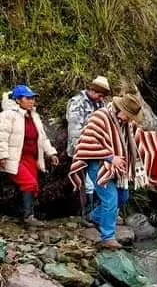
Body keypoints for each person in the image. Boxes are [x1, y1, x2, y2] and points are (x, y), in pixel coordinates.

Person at [68, 93, 148, 250]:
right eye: (128, 115)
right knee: (110, 199)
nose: (129, 119)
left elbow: (132, 140)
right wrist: (110, 157)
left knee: (123, 198)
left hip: (117, 167)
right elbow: (87, 142)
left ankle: (93, 217)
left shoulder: (125, 123)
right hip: (97, 164)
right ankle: (108, 237)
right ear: (120, 109)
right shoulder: (100, 117)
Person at [0, 85, 59, 225]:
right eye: (28, 98)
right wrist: (2, 156)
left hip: (31, 158)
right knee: (29, 183)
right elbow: (2, 137)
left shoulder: (34, 116)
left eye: (33, 98)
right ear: (18, 100)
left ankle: (27, 214)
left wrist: (51, 153)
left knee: (34, 186)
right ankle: (27, 217)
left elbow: (42, 138)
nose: (32, 101)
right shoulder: (7, 115)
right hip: (15, 158)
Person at [66, 75, 111, 218]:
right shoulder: (77, 103)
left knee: (97, 180)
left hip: (98, 150)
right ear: (92, 90)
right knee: (84, 183)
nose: (101, 97)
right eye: (99, 94)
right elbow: (74, 130)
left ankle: (97, 213)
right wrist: (81, 151)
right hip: (82, 150)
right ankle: (85, 214)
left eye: (103, 95)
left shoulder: (101, 104)